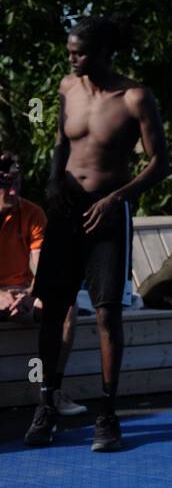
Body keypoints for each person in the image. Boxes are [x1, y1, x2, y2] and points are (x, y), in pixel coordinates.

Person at [24, 17, 170, 451]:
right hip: (64, 211)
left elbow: (160, 164)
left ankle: (108, 412)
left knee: (107, 313)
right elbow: (60, 142)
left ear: (105, 53)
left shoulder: (135, 97)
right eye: (70, 51)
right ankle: (46, 403)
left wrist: (116, 199)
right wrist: (53, 181)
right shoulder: (68, 86)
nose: (72, 58)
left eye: (80, 52)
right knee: (52, 308)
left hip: (107, 213)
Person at [0, 152, 85, 414]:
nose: (13, 190)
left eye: (17, 182)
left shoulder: (32, 213)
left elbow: (44, 269)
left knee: (67, 306)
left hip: (23, 293)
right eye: (5, 184)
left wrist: (30, 293)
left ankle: (52, 391)